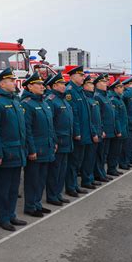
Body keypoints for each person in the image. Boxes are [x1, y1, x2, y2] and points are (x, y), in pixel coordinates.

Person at [0, 67, 28, 231]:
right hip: (5, 151)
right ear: (2, 83)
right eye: (11, 81)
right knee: (3, 188)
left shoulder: (14, 100)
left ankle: (11, 214)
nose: (14, 83)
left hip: (17, 150)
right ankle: (3, 218)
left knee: (14, 186)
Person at [21, 72, 57, 217]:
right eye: (39, 84)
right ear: (30, 86)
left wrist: (53, 141)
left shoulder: (44, 103)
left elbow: (50, 126)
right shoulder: (27, 104)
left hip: (46, 147)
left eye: (43, 84)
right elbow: (27, 130)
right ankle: (30, 206)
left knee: (41, 179)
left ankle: (37, 204)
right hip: (36, 148)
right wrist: (31, 150)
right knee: (32, 180)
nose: (42, 87)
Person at [45, 72, 74, 206]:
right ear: (54, 85)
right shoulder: (51, 100)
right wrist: (54, 140)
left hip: (67, 140)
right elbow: (50, 124)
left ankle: (58, 193)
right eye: (62, 84)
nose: (64, 86)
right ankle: (52, 195)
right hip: (59, 141)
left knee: (62, 170)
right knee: (55, 170)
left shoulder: (63, 100)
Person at [64, 66, 90, 197]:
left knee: (78, 161)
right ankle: (70, 187)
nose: (83, 78)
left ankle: (74, 185)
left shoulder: (80, 91)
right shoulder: (70, 91)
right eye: (80, 75)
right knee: (73, 162)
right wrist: (77, 132)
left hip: (84, 132)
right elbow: (74, 114)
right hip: (78, 134)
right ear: (73, 76)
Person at [81, 75, 102, 189]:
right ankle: (86, 180)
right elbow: (89, 119)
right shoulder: (86, 99)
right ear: (84, 86)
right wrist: (94, 133)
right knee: (88, 159)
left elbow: (98, 118)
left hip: (97, 132)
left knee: (92, 158)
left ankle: (90, 178)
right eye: (90, 84)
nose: (93, 86)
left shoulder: (93, 99)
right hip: (90, 134)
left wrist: (100, 130)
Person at [93, 74, 115, 181]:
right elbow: (99, 116)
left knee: (104, 153)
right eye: (102, 82)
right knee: (100, 154)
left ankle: (102, 173)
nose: (105, 83)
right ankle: (99, 174)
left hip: (109, 129)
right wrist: (101, 130)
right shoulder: (97, 96)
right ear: (97, 84)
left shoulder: (105, 96)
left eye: (106, 82)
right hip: (103, 130)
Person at [106, 79, 127, 176]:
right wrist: (118, 130)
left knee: (117, 150)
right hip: (118, 130)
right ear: (115, 88)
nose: (123, 89)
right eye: (121, 87)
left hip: (122, 128)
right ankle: (111, 168)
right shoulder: (113, 99)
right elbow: (116, 117)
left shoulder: (119, 98)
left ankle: (113, 167)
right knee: (114, 151)